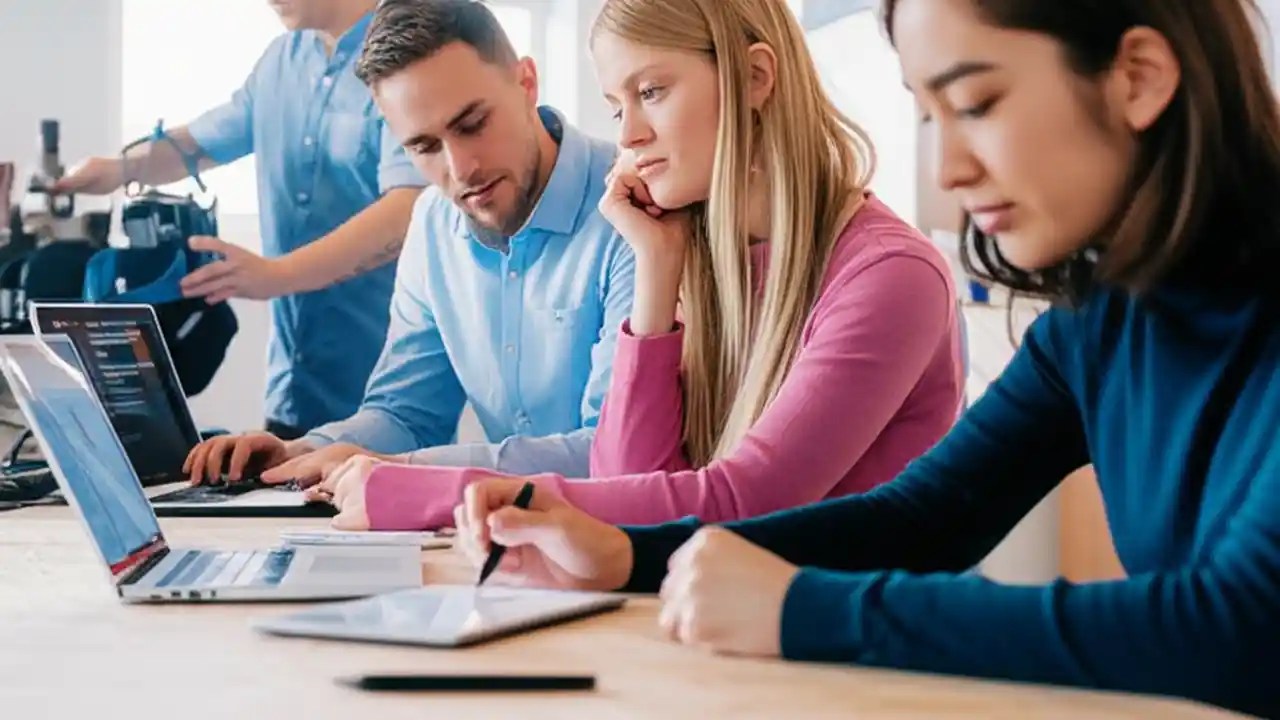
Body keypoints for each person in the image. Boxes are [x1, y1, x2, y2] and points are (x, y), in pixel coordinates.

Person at [449, 0, 1280, 716]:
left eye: (978, 103)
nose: (947, 169)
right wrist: (631, 555)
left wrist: (802, 609)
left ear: (1137, 77)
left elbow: (1239, 630)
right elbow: (925, 517)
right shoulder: (1099, 326)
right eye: (929, 117)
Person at [306, 0, 964, 531]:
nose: (627, 136)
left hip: (857, 669)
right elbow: (630, 481)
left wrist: (428, 493)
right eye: (619, 106)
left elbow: (743, 503)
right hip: (727, 637)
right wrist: (655, 269)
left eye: (652, 91)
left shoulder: (889, 276)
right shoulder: (694, 255)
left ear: (756, 78)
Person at [183, 0, 634, 485]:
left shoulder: (631, 209)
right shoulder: (434, 224)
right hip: (513, 537)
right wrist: (304, 451)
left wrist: (390, 470)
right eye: (423, 146)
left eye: (472, 124)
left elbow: (612, 453)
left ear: (526, 83)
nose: (461, 170)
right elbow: (406, 414)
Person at [55, 0, 426, 439]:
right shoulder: (279, 62)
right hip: (292, 392)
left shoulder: (409, 55)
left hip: (386, 400)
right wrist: (119, 169)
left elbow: (409, 210)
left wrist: (276, 275)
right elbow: (197, 144)